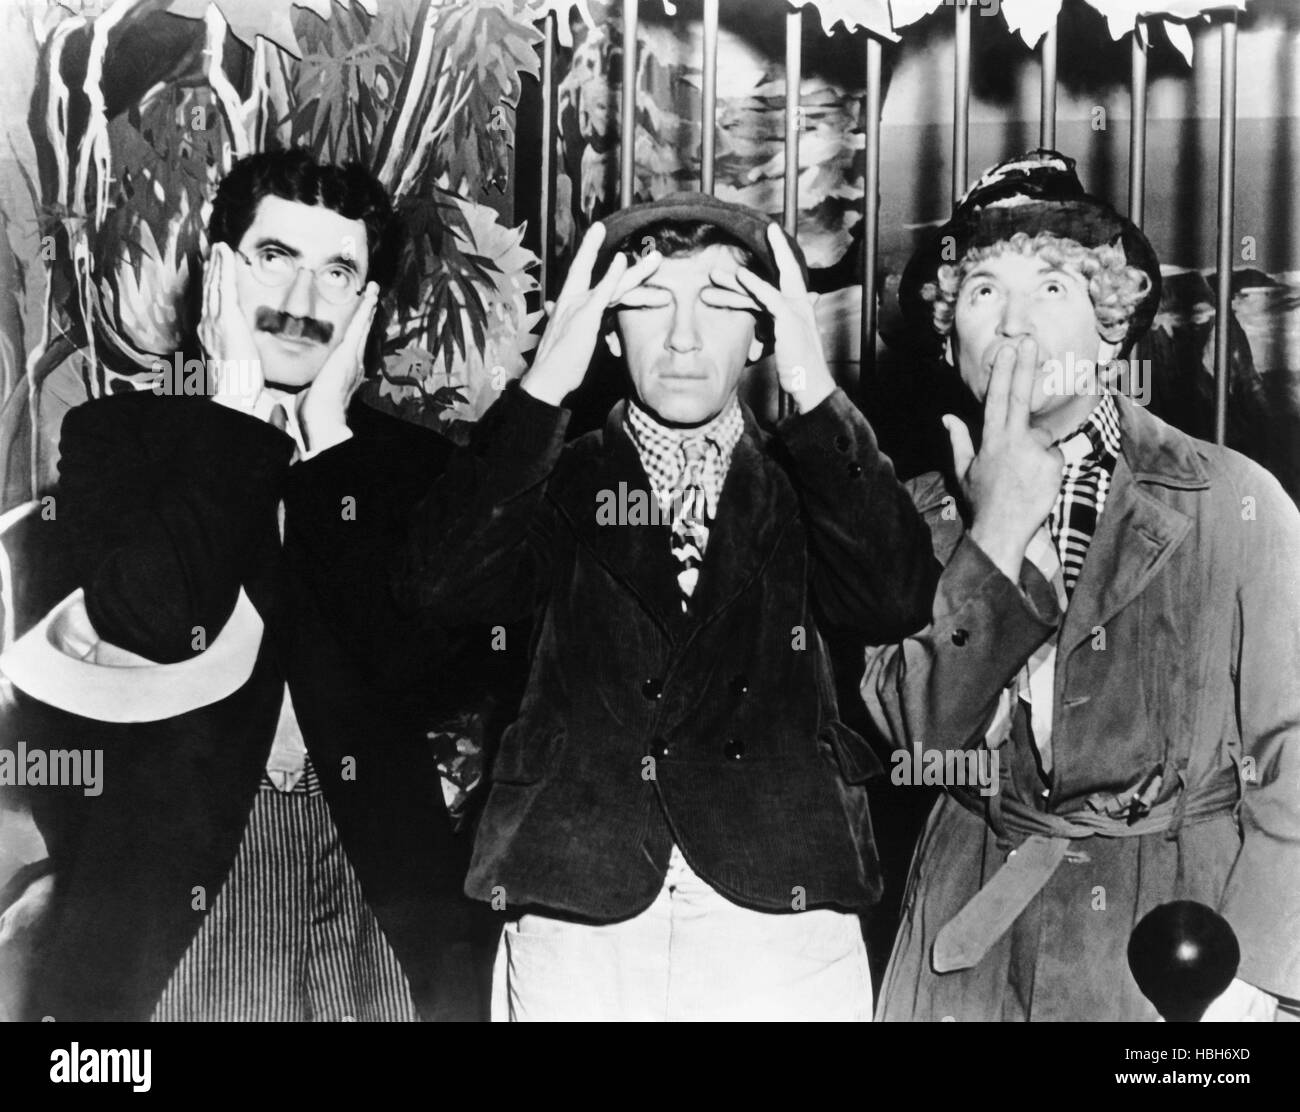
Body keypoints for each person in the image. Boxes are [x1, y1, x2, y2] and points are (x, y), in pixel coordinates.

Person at [395, 192, 939, 1021]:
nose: (684, 338)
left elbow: (896, 598)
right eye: (651, 305)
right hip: (578, 898)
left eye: (721, 306)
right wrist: (542, 389)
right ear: (608, 331)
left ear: (764, 332)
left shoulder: (818, 479)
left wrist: (814, 388)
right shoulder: (548, 472)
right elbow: (439, 591)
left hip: (780, 901)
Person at [6, 148, 496, 1021]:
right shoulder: (121, 437)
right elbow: (153, 618)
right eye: (275, 258)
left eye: (338, 272)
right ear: (221, 271)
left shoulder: (410, 468)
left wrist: (331, 447)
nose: (302, 305)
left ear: (368, 304)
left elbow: (414, 671)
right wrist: (238, 417)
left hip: (379, 883)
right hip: (188, 884)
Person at [862, 149, 1300, 1022]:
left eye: (1054, 288)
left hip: (1179, 940)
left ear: (1113, 321)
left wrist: (1259, 969)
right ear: (950, 339)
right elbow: (915, 740)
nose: (1015, 325)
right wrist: (993, 532)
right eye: (984, 291)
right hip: (970, 932)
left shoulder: (1233, 499)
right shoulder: (903, 516)